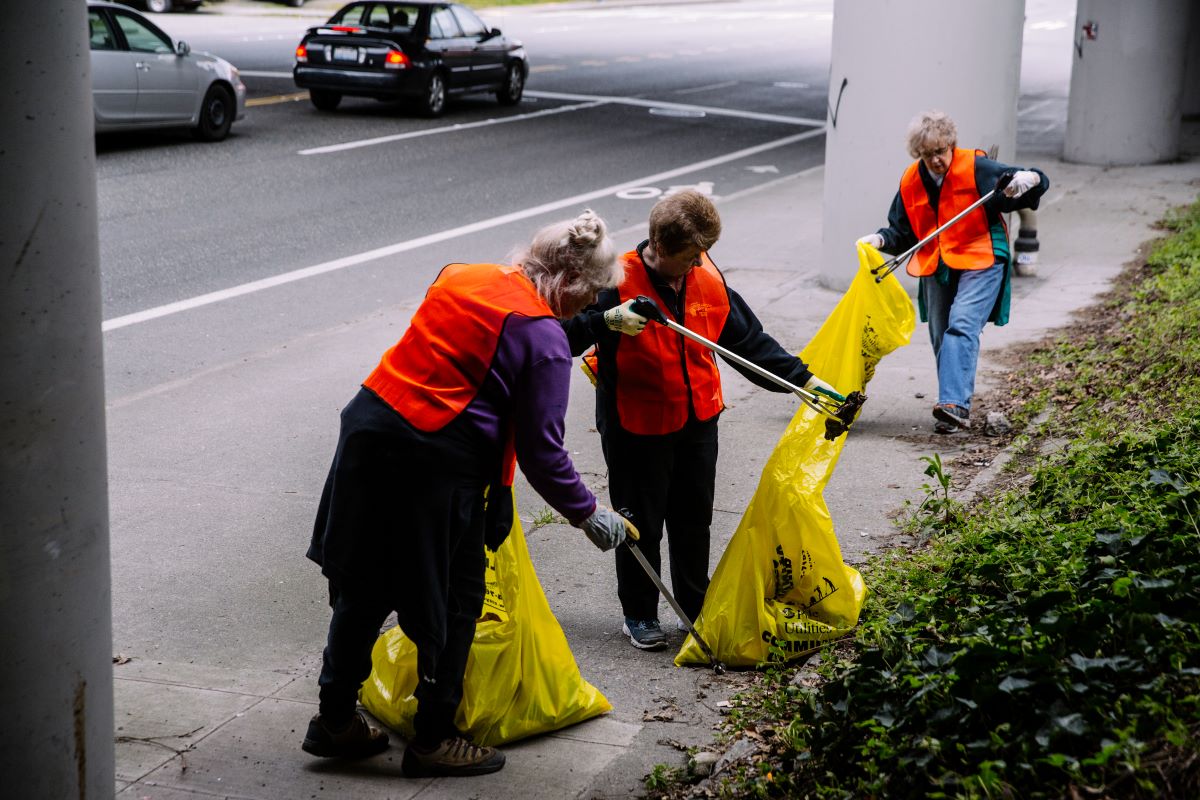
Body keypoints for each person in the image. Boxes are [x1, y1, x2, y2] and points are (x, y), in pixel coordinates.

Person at [304, 210, 639, 777]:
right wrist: (588, 514)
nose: (586, 310)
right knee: (456, 605)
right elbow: (544, 453)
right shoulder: (545, 342)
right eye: (589, 301)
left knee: (362, 584)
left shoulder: (460, 275)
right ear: (573, 285)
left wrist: (501, 487)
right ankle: (434, 738)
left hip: (369, 435)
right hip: (433, 466)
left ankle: (334, 720)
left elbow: (486, 359)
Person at [563, 190, 842, 651]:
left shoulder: (705, 274)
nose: (698, 265)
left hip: (697, 421)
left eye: (702, 255)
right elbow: (557, 335)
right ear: (661, 247)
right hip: (636, 425)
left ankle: (695, 605)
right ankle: (639, 612)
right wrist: (606, 321)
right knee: (641, 524)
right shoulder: (613, 280)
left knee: (694, 519)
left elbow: (749, 343)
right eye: (690, 257)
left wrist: (804, 382)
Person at [859, 110, 1049, 433]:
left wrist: (1030, 180)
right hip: (939, 261)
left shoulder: (976, 167)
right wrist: (879, 239)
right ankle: (952, 404)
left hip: (981, 256)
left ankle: (954, 404)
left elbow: (1029, 183)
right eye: (928, 154)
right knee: (940, 332)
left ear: (952, 144)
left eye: (941, 151)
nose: (936, 160)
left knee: (961, 323)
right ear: (918, 154)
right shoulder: (910, 181)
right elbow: (901, 231)